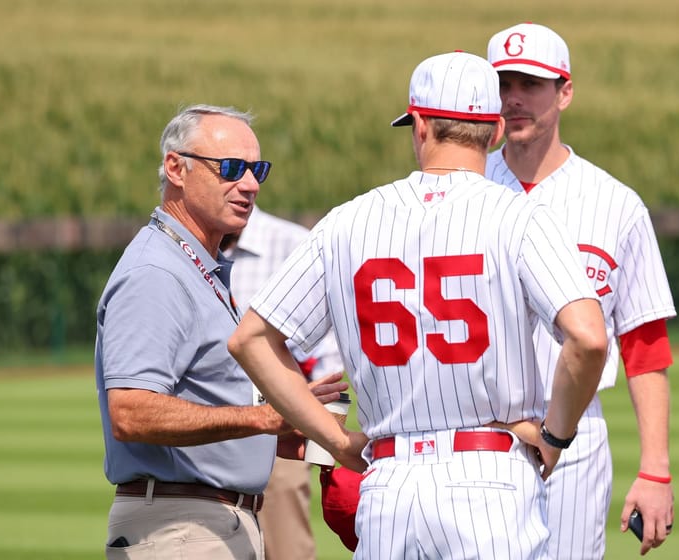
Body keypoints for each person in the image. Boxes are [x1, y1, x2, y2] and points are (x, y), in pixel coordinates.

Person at [229, 50, 609, 559]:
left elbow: (251, 339)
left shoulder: (348, 221)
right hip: (491, 477)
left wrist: (336, 440)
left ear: (421, 125)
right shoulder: (522, 217)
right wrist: (556, 437)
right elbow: (588, 337)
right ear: (496, 130)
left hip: (390, 483)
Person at [94, 104, 348, 560]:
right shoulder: (157, 272)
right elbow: (131, 412)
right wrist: (262, 418)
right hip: (180, 527)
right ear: (176, 168)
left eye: (257, 170)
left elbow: (206, 398)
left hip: (206, 523)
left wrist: (281, 434)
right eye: (231, 168)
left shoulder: (194, 263)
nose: (250, 184)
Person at [484, 22, 677, 558]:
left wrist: (655, 470)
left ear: (564, 92)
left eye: (530, 84)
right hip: (474, 432)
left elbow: (643, 344)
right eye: (503, 84)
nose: (514, 99)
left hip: (575, 435)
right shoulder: (465, 188)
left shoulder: (614, 203)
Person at [221, 205, 345, 560]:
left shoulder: (293, 243)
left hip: (280, 432)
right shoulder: (189, 247)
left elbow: (329, 358)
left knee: (286, 549)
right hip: (205, 430)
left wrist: (326, 442)